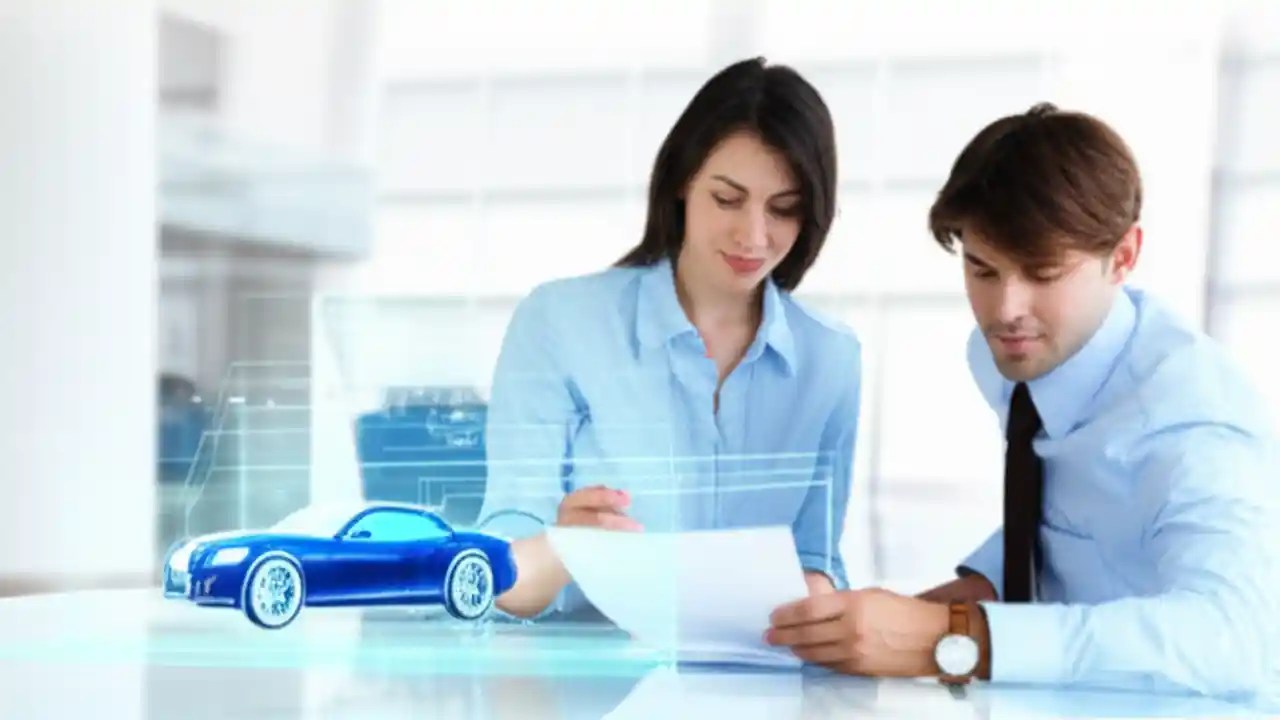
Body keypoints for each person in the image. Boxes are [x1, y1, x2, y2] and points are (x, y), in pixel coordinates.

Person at [764, 103, 1280, 702]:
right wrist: (905, 617)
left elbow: (1237, 638)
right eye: (982, 269)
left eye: (1042, 272)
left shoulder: (1194, 429)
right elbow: (1068, 517)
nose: (1006, 309)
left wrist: (951, 636)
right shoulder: (1013, 356)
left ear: (1125, 256)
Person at [476, 57, 862, 620]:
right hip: (586, 687)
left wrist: (825, 602)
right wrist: (565, 547)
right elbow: (496, 568)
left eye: (784, 209)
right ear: (683, 182)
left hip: (756, 682)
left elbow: (815, 556)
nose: (753, 236)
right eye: (727, 199)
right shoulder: (559, 321)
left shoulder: (831, 357)